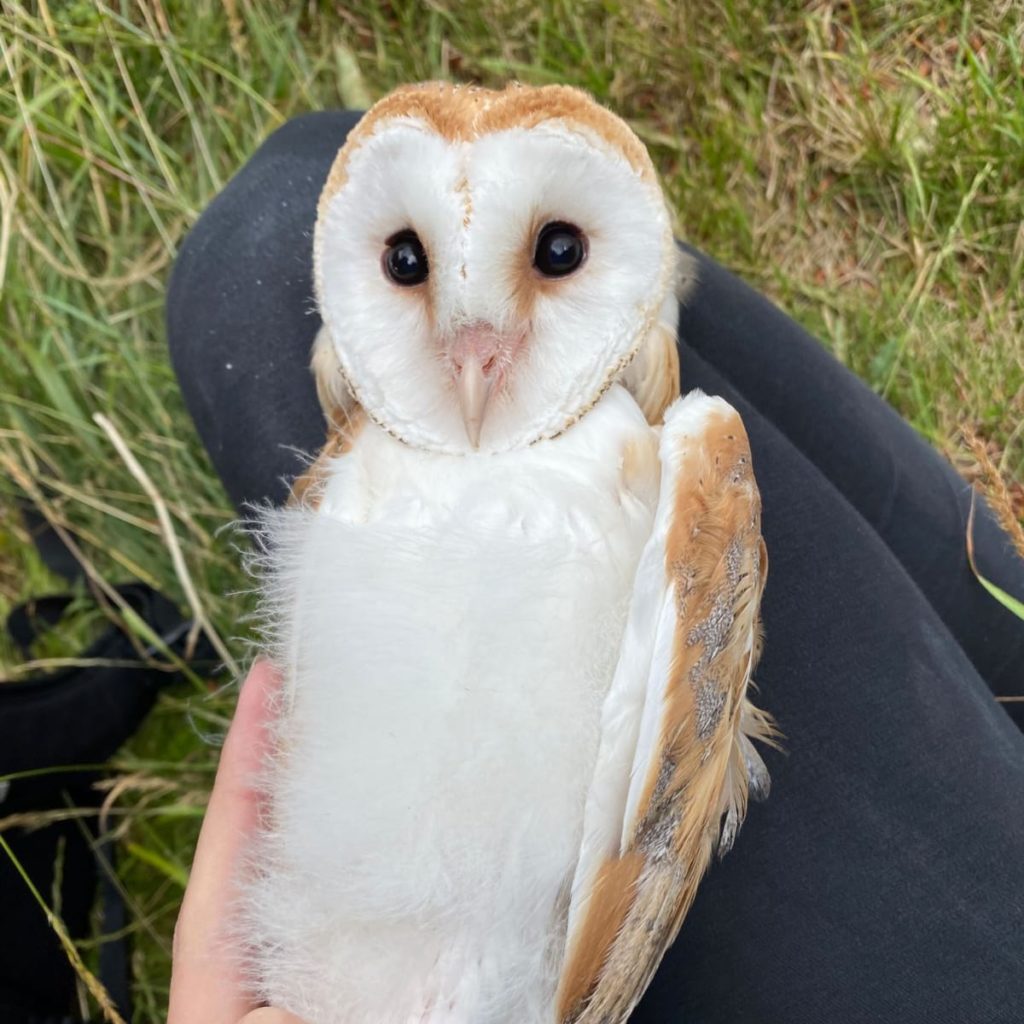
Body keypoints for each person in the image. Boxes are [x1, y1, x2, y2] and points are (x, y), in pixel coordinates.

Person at [165, 111, 1024, 1024]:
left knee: (260, 227)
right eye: (406, 266)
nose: (474, 357)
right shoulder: (365, 466)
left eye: (558, 254)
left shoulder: (668, 468)